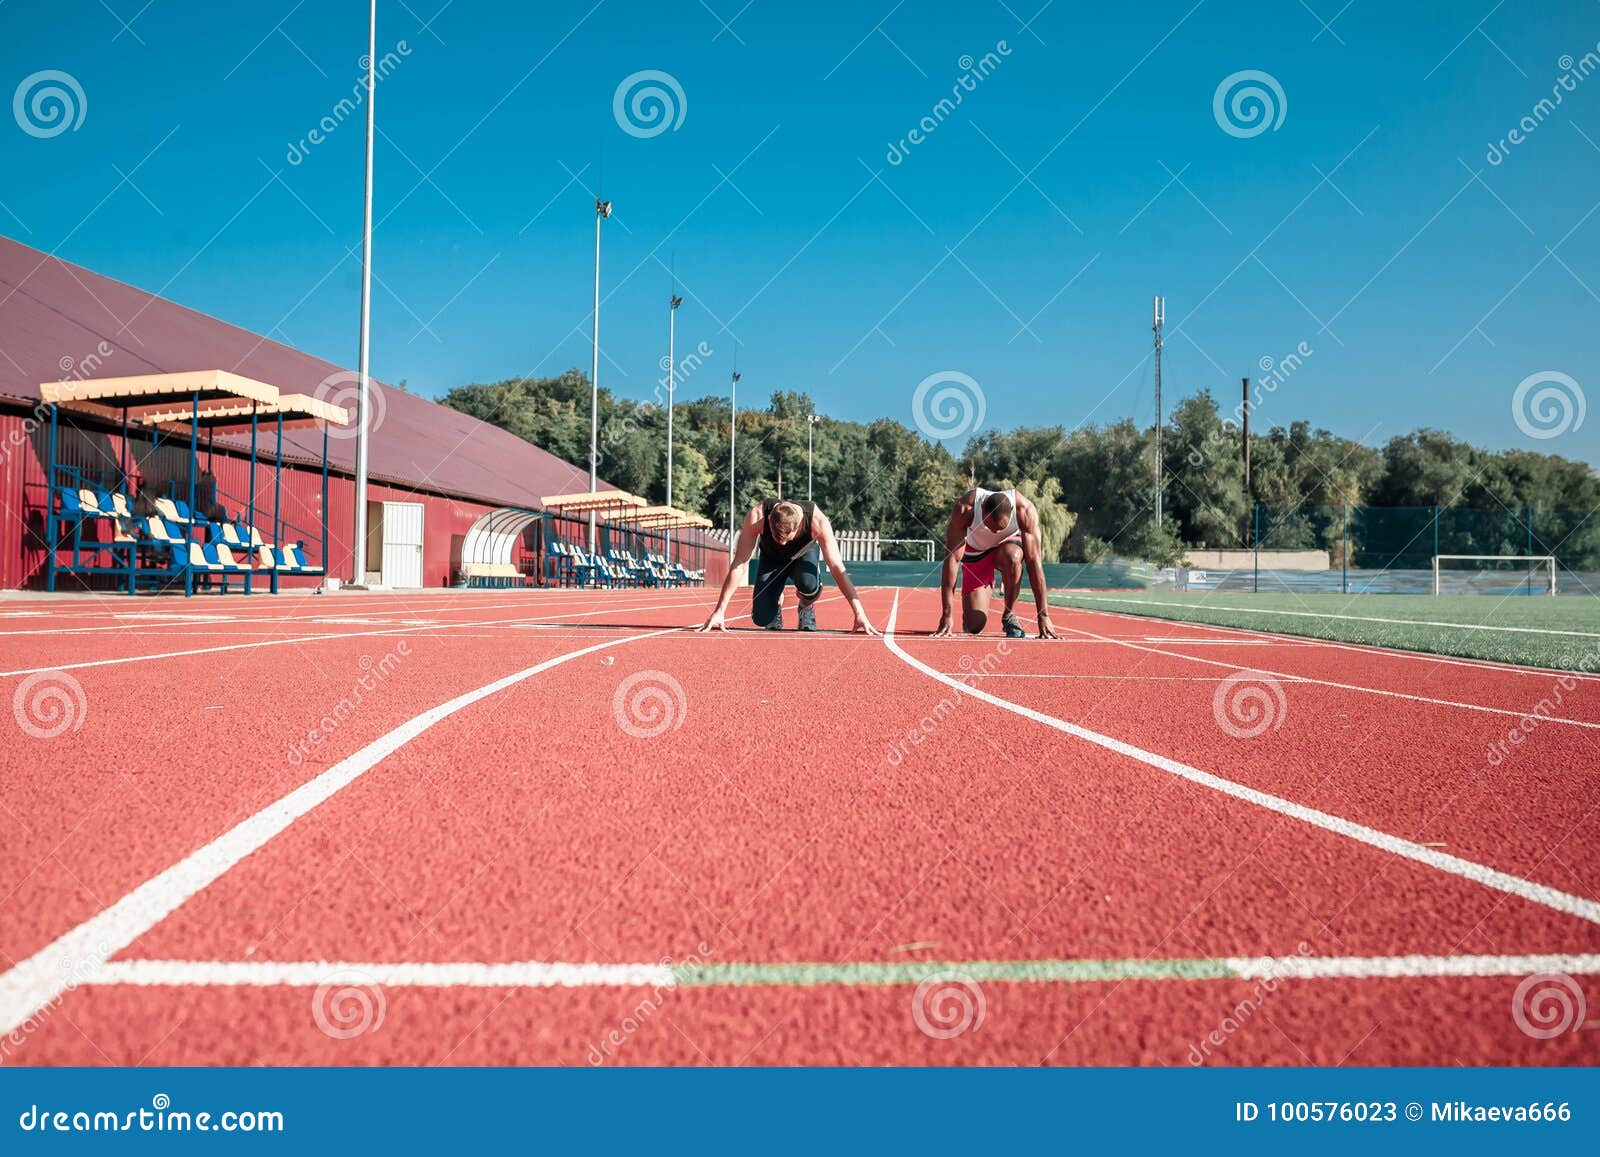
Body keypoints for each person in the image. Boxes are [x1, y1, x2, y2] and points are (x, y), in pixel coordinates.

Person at [696, 498, 877, 634]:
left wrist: (859, 613)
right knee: (761, 618)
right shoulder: (757, 516)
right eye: (777, 537)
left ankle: (806, 605)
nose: (783, 543)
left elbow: (837, 567)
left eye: (787, 539)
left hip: (803, 556)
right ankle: (776, 601)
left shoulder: (817, 521)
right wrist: (720, 610)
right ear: (769, 521)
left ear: (799, 525)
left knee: (808, 584)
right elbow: (740, 564)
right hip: (771, 559)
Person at [932, 486, 1060, 639]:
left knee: (1013, 556)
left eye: (1001, 528)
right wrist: (947, 615)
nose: (996, 532)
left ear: (1011, 511)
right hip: (976, 554)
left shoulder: (1024, 510)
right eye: (991, 527)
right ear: (982, 511)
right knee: (974, 626)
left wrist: (1043, 615)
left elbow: (1034, 562)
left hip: (1005, 550)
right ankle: (974, 604)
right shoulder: (965, 508)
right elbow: (952, 559)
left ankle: (1009, 615)